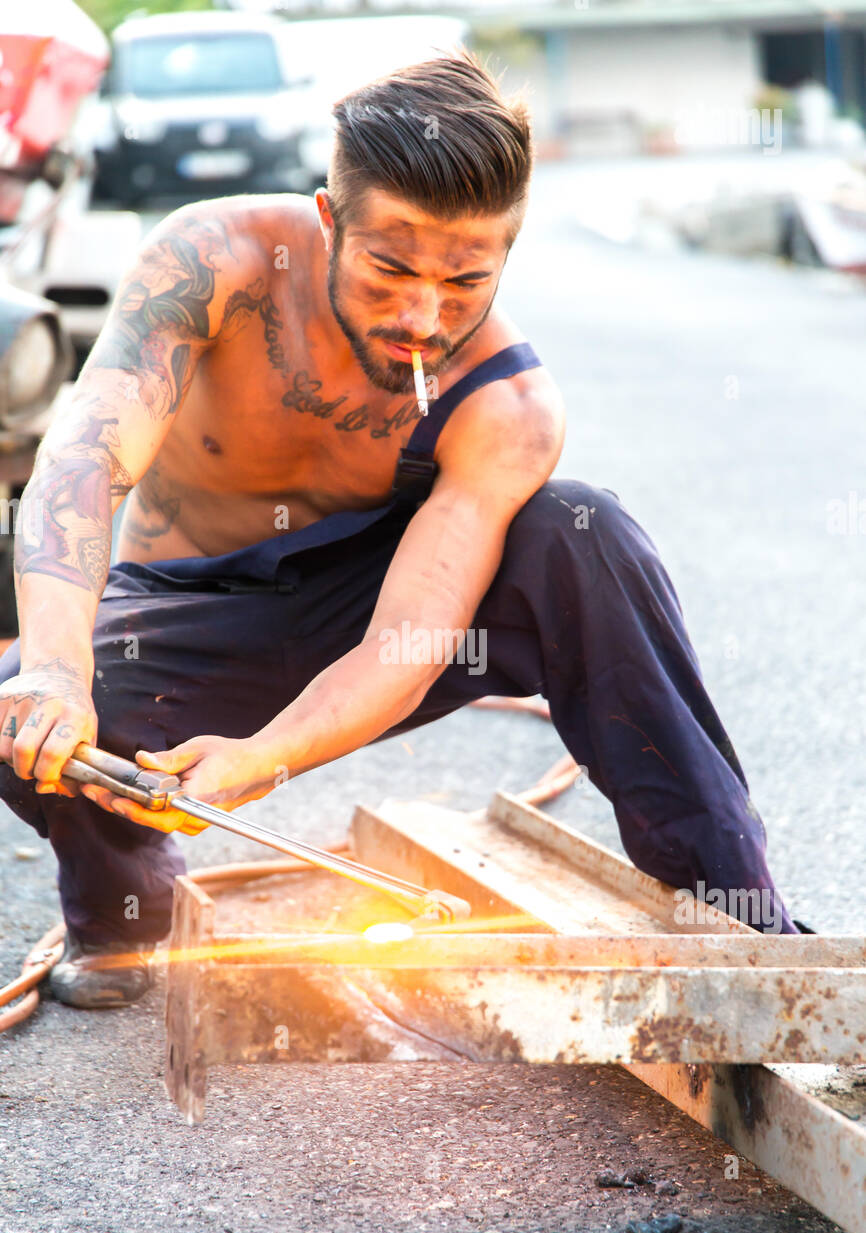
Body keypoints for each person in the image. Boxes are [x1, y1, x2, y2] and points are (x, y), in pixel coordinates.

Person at [0, 53, 803, 1008]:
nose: (424, 317)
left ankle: (747, 922)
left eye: (467, 279)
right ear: (329, 221)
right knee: (22, 704)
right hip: (188, 608)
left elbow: (407, 641)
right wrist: (55, 666)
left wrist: (265, 757)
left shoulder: (509, 404)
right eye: (389, 268)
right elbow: (86, 462)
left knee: (587, 532)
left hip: (374, 610)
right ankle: (123, 897)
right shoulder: (211, 259)